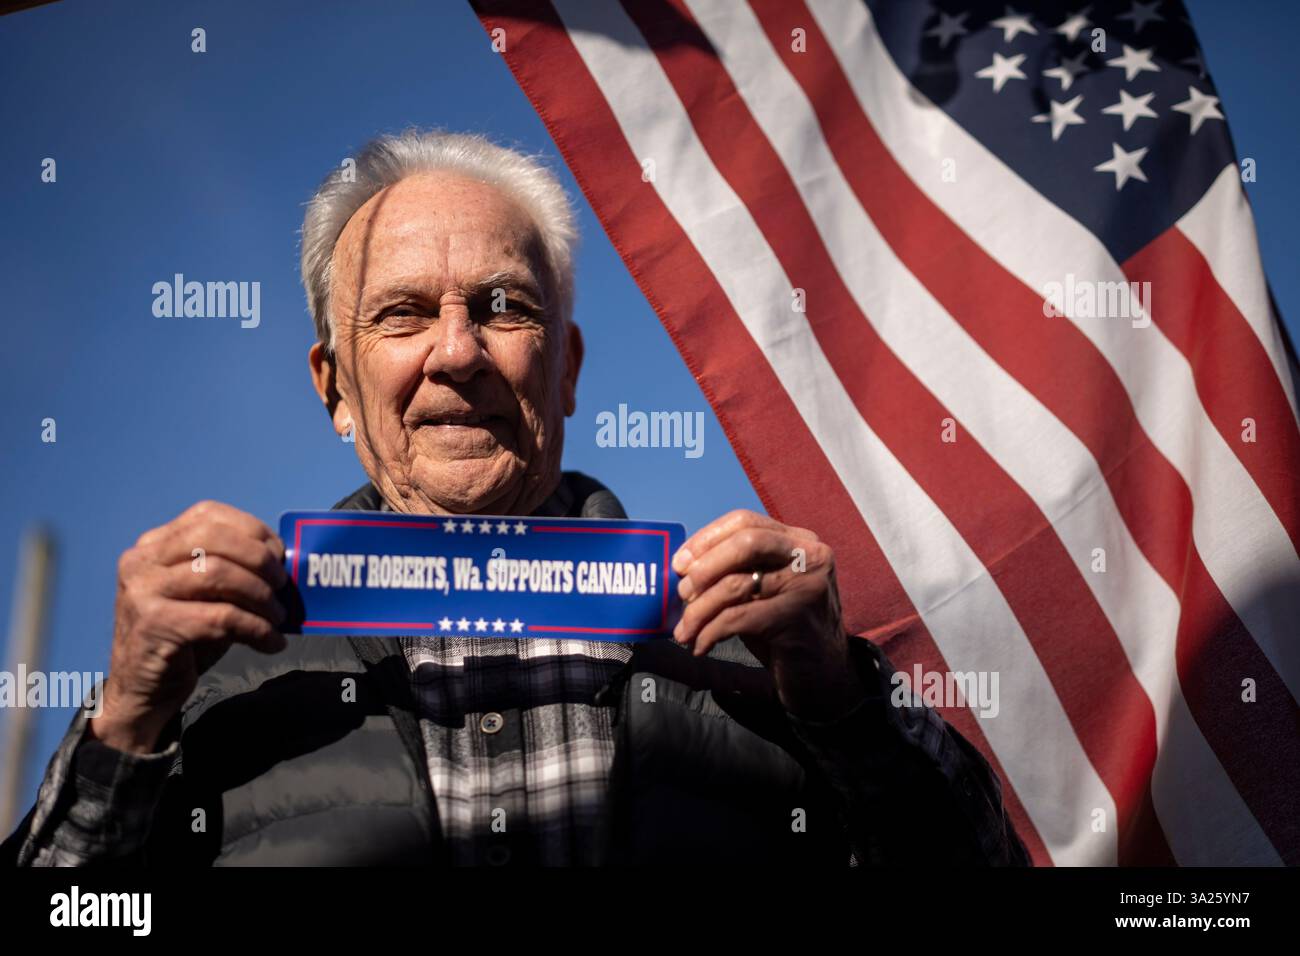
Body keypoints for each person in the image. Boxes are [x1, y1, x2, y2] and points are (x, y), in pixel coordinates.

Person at [3, 129, 1028, 866]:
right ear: (335, 388)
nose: (458, 352)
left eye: (503, 306)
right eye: (403, 314)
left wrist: (841, 697)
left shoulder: (746, 646)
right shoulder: (214, 677)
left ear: (568, 367)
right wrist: (125, 724)